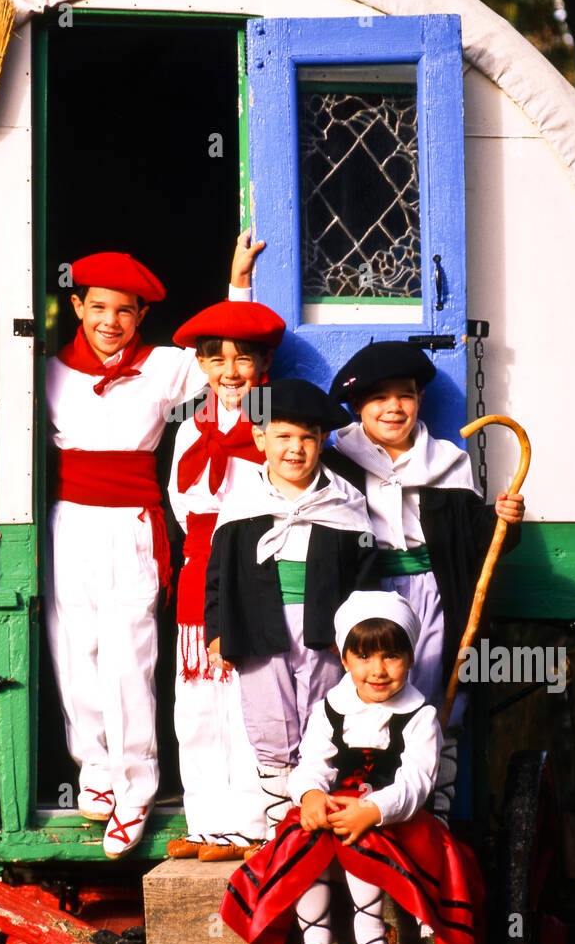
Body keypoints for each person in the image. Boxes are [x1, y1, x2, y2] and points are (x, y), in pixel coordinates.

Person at [44, 235, 261, 858]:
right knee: (73, 651)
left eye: (125, 311)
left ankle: (136, 790)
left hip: (132, 526)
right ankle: (96, 773)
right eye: (99, 307)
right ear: (78, 308)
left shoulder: (165, 365)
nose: (111, 322)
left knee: (127, 655)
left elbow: (229, 355)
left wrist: (237, 278)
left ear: (141, 317)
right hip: (67, 522)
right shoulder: (49, 373)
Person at [220, 591, 484, 944]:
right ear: (344, 659)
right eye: (363, 657)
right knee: (301, 837)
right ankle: (316, 941)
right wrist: (310, 795)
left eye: (391, 656)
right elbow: (313, 762)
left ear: (410, 658)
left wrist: (374, 810)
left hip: (397, 819)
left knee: (357, 840)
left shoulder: (419, 716)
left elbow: (416, 781)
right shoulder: (332, 706)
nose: (377, 670)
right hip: (339, 806)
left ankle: (373, 938)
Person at [324, 342, 524, 821]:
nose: (394, 407)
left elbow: (479, 541)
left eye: (406, 395)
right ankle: (364, 801)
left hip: (431, 593)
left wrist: (504, 519)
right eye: (378, 397)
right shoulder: (338, 461)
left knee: (435, 695)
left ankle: (435, 810)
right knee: (365, 691)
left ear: (419, 400)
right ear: (357, 406)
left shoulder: (449, 463)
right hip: (366, 597)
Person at [204, 378, 380, 837]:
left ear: (322, 441)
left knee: (323, 711)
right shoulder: (242, 502)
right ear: (260, 439)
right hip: (260, 628)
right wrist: (217, 630)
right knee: (268, 714)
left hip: (325, 628)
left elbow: (364, 574)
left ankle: (325, 820)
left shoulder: (345, 502)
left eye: (307, 437)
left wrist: (360, 634)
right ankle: (279, 827)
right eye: (282, 436)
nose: (295, 449)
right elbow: (219, 573)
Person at [166, 300, 286, 862]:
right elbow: (180, 501)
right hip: (199, 570)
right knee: (195, 704)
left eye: (243, 359)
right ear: (203, 366)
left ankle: (251, 823)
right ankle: (207, 819)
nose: (230, 372)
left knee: (246, 699)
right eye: (217, 360)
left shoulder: (273, 427)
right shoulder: (191, 427)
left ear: (263, 364)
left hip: (249, 568)